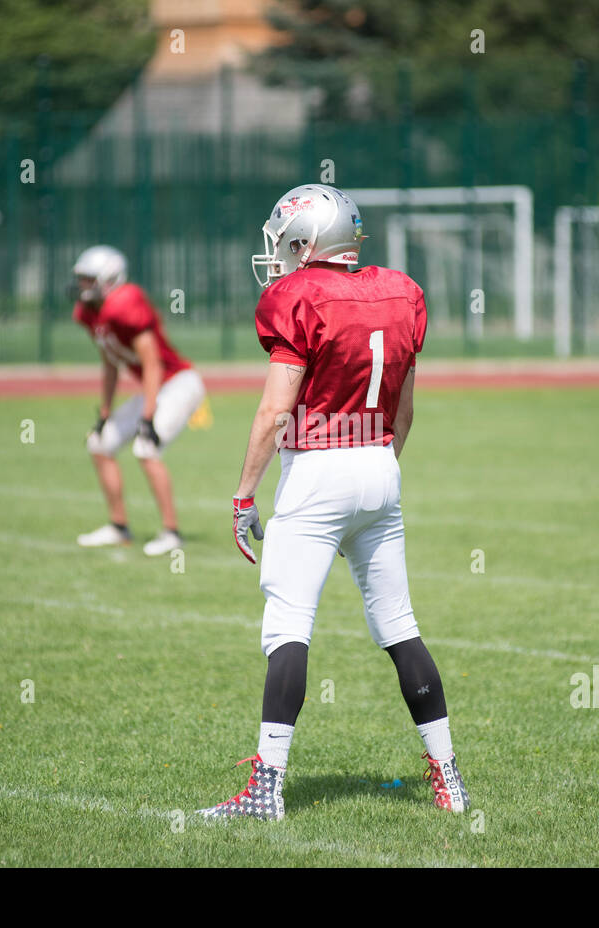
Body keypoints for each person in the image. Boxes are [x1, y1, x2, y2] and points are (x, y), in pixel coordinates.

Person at [197, 185, 469, 820]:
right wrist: (375, 468)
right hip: (378, 465)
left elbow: (273, 413)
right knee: (399, 626)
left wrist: (242, 495)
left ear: (306, 241)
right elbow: (404, 408)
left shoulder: (296, 297)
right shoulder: (401, 293)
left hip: (317, 471)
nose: (278, 256)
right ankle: (449, 778)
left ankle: (265, 791)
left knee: (288, 627)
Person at [70, 245, 206, 557]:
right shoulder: (88, 313)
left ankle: (171, 532)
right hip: (156, 386)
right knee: (99, 444)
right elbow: (109, 363)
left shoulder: (125, 303)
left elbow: (153, 363)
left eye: (90, 280)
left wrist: (147, 417)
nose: (83, 287)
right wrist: (104, 413)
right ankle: (119, 527)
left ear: (110, 279)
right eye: (82, 279)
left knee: (146, 447)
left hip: (178, 383)